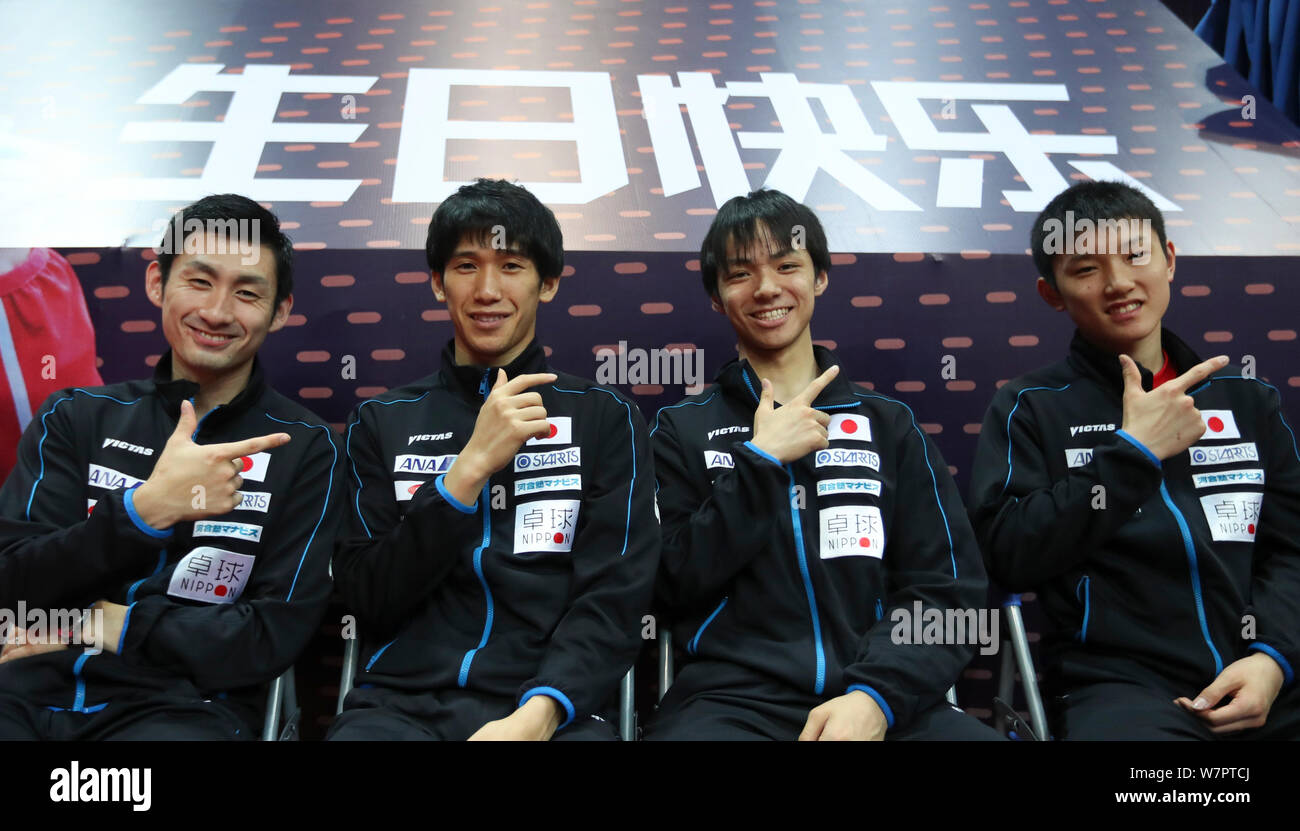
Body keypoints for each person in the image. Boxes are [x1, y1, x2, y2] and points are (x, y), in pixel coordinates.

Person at [644, 188, 1000, 740]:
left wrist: (875, 698)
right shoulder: (679, 430)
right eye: (740, 274)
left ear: (820, 277)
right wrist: (758, 465)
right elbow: (667, 584)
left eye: (787, 265)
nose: (767, 288)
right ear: (717, 296)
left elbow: (947, 592)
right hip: (730, 705)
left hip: (885, 697)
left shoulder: (890, 425)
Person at [968, 180, 1300, 740]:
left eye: (1134, 255)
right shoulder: (1030, 408)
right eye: (1086, 269)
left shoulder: (1248, 401)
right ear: (1052, 292)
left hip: (1270, 675)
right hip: (1122, 690)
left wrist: (1273, 659)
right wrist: (1133, 455)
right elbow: (1005, 556)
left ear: (1168, 259)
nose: (1119, 282)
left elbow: (1292, 550)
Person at [0, 194, 340, 740]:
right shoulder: (75, 417)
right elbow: (11, 586)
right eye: (199, 282)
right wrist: (141, 513)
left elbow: (268, 637)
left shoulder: (303, 447)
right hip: (24, 691)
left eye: (247, 293)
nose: (217, 312)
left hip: (184, 712)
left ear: (280, 312)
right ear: (158, 283)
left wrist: (102, 624)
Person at [329, 178, 658, 741]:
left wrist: (539, 713)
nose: (487, 290)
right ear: (437, 283)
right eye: (465, 267)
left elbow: (615, 596)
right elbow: (366, 597)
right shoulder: (381, 421)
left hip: (554, 714)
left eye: (511, 266)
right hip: (398, 709)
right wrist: (464, 474)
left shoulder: (606, 417)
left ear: (547, 283)